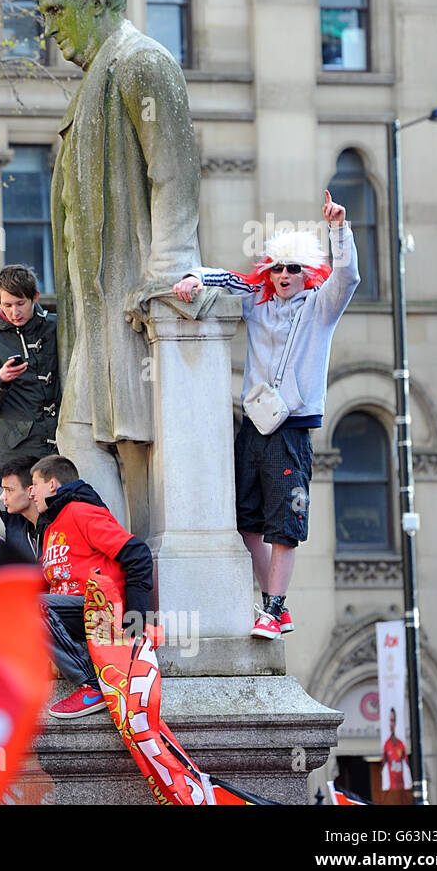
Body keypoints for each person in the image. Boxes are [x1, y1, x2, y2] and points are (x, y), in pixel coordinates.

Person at [36, 0, 205, 533]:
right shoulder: (94, 81)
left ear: (97, 3)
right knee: (80, 443)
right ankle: (107, 578)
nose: (50, 28)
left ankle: (146, 580)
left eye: (57, 11)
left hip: (131, 302)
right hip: (92, 312)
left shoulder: (141, 63)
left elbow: (174, 171)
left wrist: (168, 274)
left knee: (136, 443)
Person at [173, 191, 357, 639]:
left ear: (308, 272)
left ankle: (273, 609)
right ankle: (274, 604)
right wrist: (192, 278)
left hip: (291, 430)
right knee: (244, 517)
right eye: (278, 267)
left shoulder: (320, 307)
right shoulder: (258, 300)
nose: (285, 275)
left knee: (284, 526)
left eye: (294, 268)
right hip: (255, 425)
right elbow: (225, 277)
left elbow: (347, 277)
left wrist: (338, 228)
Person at [30, 454, 153, 719]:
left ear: (52, 484)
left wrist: (136, 621)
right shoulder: (52, 527)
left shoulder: (81, 511)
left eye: (35, 485)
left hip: (101, 610)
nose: (31, 494)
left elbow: (138, 554)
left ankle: (93, 685)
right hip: (71, 614)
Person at [0, 265, 59, 489]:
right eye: (7, 305)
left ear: (34, 298)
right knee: (18, 523)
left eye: (21, 304)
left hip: (58, 453)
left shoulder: (56, 327)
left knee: (59, 523)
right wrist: (0, 379)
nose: (14, 312)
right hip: (12, 457)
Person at [0, 454, 41, 563]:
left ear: (31, 491)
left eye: (9, 490)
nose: (2, 497)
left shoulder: (57, 528)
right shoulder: (27, 531)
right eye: (3, 490)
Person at [382, 707, 408, 790]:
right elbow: (382, 766)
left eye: (393, 720)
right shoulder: (386, 744)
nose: (391, 724)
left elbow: (407, 764)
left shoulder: (401, 744)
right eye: (390, 721)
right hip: (391, 789)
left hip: (403, 788)